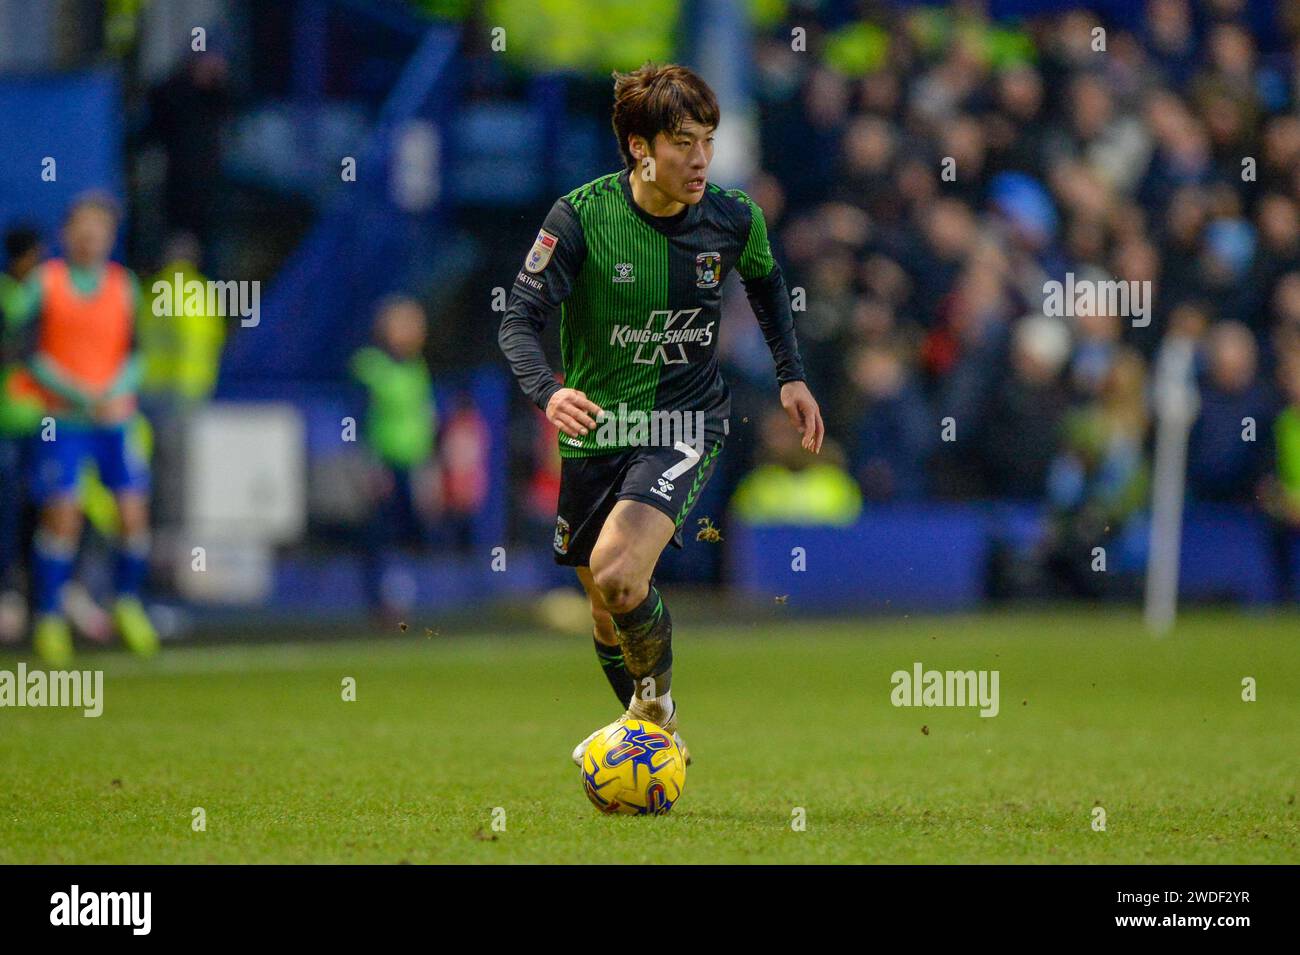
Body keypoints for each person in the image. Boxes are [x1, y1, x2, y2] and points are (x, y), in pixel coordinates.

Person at [498, 63, 824, 765]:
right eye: (683, 142)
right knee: (603, 605)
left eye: (708, 139)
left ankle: (656, 719)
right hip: (597, 430)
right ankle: (654, 735)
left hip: (683, 422)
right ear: (640, 148)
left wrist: (791, 377)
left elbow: (767, 282)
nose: (701, 158)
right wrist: (549, 391)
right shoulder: (581, 218)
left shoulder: (733, 218)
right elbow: (518, 321)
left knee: (619, 573)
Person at [9, 193, 157, 665]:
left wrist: (116, 388)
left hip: (115, 420)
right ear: (67, 234)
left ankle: (127, 603)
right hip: (64, 422)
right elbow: (26, 351)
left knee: (132, 514)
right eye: (84, 228)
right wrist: (75, 391)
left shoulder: (123, 286)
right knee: (62, 516)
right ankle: (50, 618)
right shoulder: (44, 284)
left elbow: (136, 353)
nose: (92, 237)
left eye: (101, 230)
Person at [350, 295, 436, 619]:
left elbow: (423, 418)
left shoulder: (417, 367)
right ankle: (378, 603)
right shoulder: (369, 366)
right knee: (379, 536)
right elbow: (357, 419)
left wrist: (428, 466)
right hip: (383, 465)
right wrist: (369, 465)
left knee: (411, 534)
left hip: (412, 465)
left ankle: (405, 599)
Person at [0, 226, 45, 642]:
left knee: (48, 508)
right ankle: (8, 596)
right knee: (8, 512)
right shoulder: (9, 295)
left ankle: (44, 598)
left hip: (43, 419)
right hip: (7, 422)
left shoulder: (43, 292)